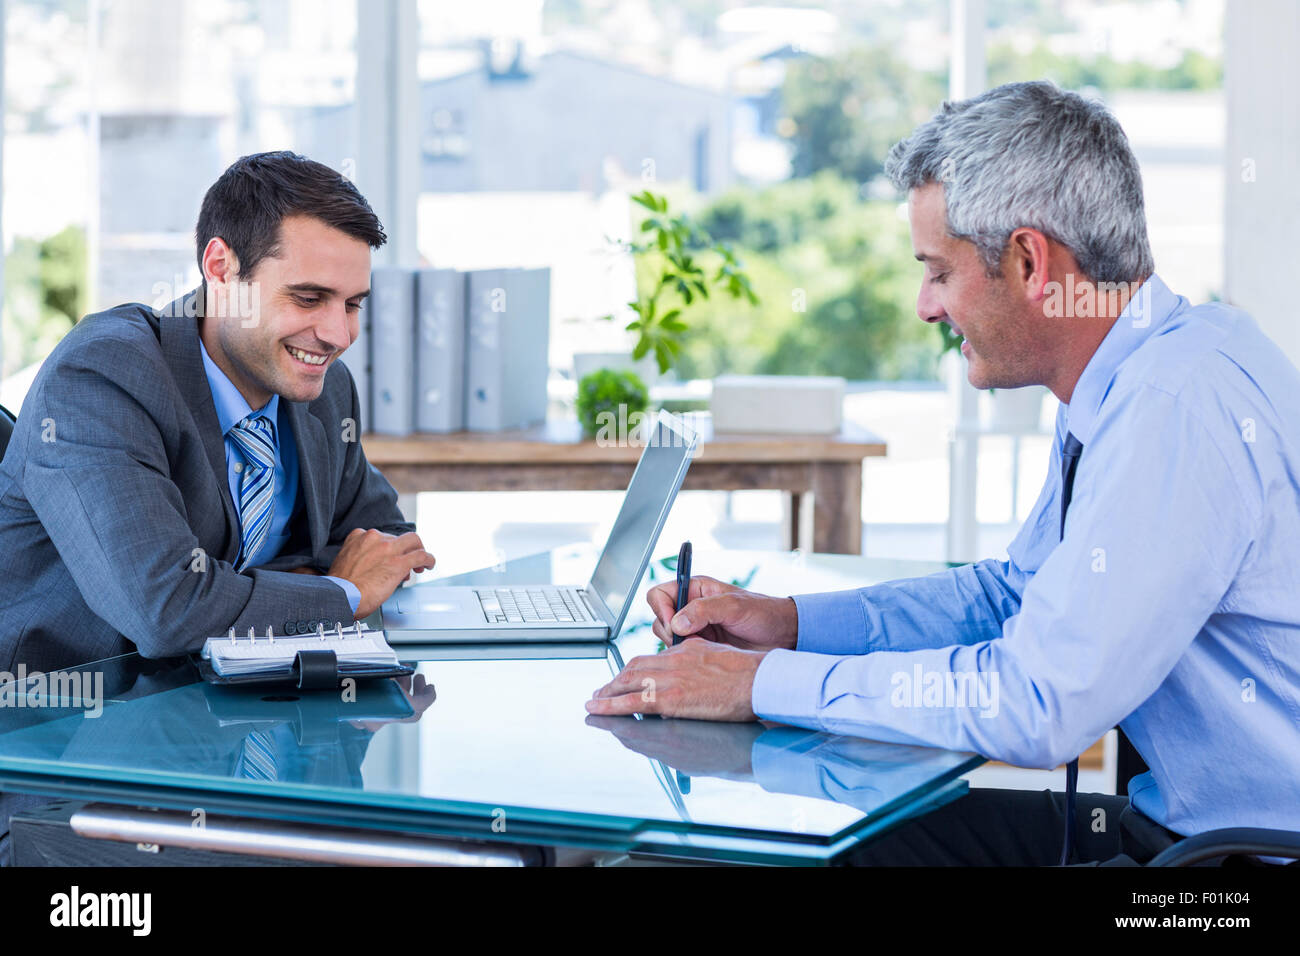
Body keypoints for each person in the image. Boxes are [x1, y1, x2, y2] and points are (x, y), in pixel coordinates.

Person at [587, 81, 1300, 866]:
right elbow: (1012, 596)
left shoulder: (1173, 409)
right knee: (824, 850)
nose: (926, 306)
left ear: (1030, 261)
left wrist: (757, 684)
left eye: (939, 271)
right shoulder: (1142, 372)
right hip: (1177, 838)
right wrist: (788, 622)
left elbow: (1037, 704)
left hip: (1231, 880)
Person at [0, 151, 435, 675]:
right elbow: (165, 610)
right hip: (66, 721)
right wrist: (340, 592)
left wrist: (246, 592)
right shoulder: (105, 377)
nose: (338, 335)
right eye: (308, 297)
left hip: (231, 711)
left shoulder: (322, 388)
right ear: (221, 268)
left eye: (351, 304)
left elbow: (386, 542)